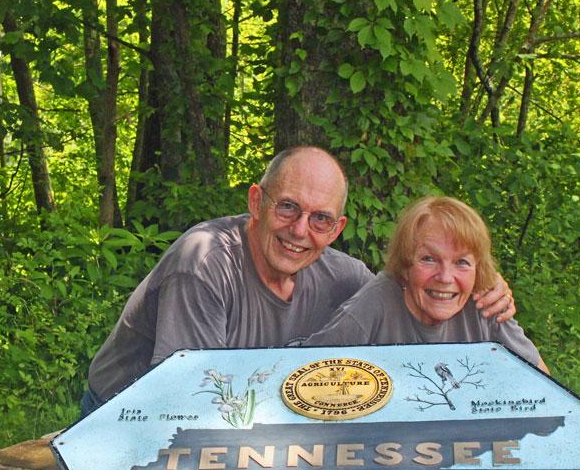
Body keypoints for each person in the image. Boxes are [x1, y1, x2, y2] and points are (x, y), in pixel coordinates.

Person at [82, 148, 518, 413]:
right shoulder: (204, 263)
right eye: (288, 207)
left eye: (320, 219)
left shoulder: (345, 277)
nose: (300, 230)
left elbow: (404, 289)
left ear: (337, 228)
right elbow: (184, 399)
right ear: (257, 200)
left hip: (237, 421)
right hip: (127, 413)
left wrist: (484, 283)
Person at [305, 195, 549, 374]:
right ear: (404, 266)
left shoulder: (487, 303)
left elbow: (543, 383)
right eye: (428, 259)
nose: (445, 277)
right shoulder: (375, 304)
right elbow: (303, 368)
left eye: (462, 262)